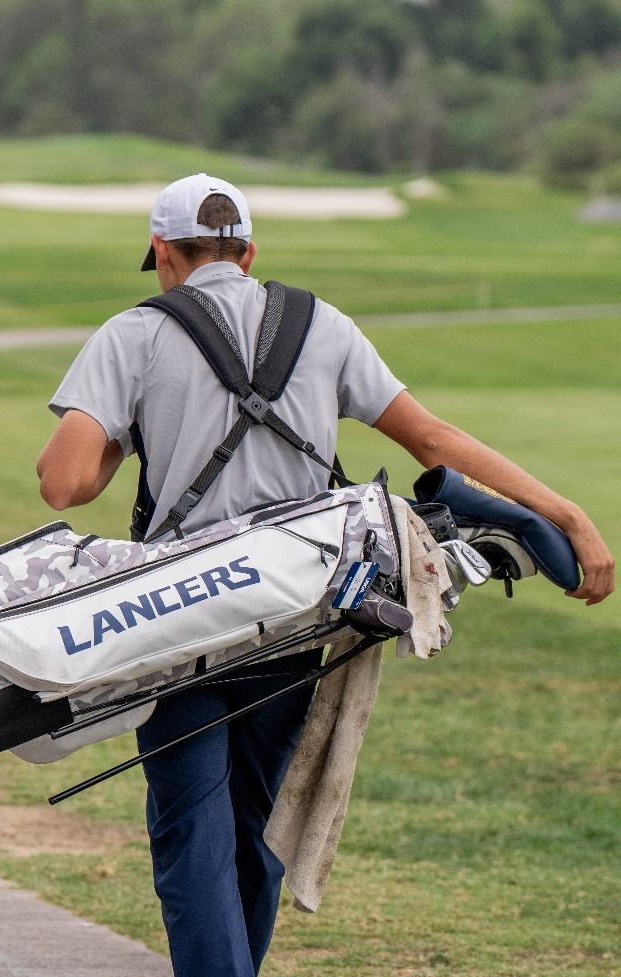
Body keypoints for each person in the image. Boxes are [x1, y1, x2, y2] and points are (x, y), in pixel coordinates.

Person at [35, 173, 614, 977]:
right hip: (297, 618)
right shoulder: (322, 326)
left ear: (163, 254)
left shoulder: (133, 333)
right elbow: (434, 442)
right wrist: (568, 515)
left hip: (180, 623)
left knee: (190, 836)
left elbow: (65, 484)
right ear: (249, 252)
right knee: (257, 828)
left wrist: (128, 428)